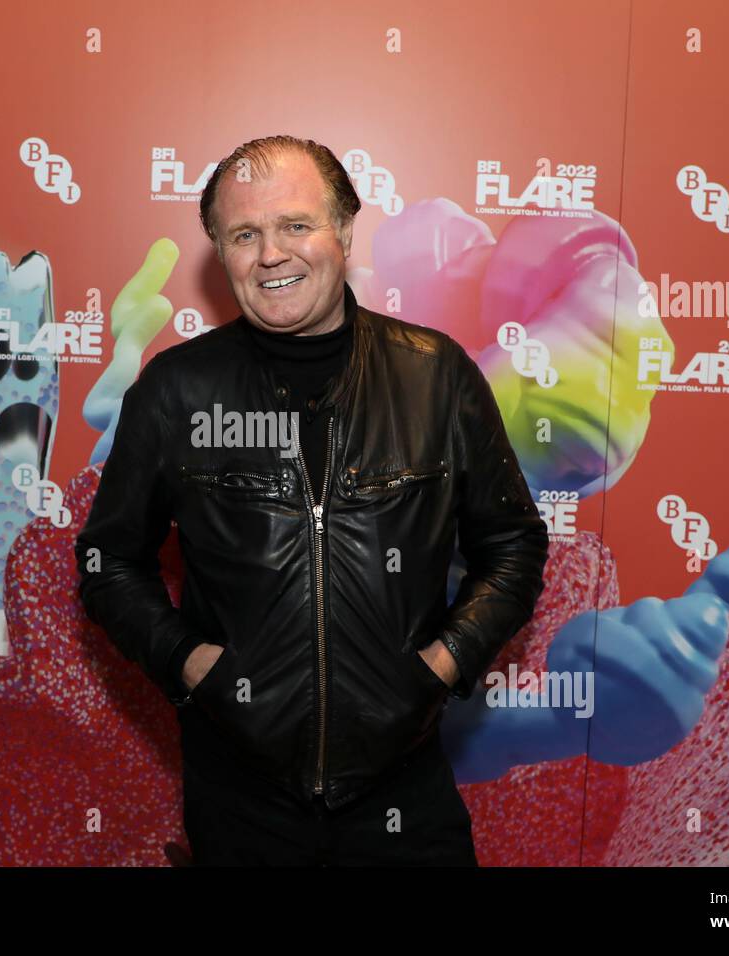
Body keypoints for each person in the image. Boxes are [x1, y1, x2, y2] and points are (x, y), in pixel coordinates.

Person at [74, 135, 548, 866]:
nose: (272, 254)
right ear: (220, 251)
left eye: (296, 225)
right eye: (244, 234)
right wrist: (191, 662)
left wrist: (440, 668)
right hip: (241, 803)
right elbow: (109, 562)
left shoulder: (435, 378)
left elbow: (513, 547)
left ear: (346, 230)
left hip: (404, 795)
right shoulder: (177, 391)